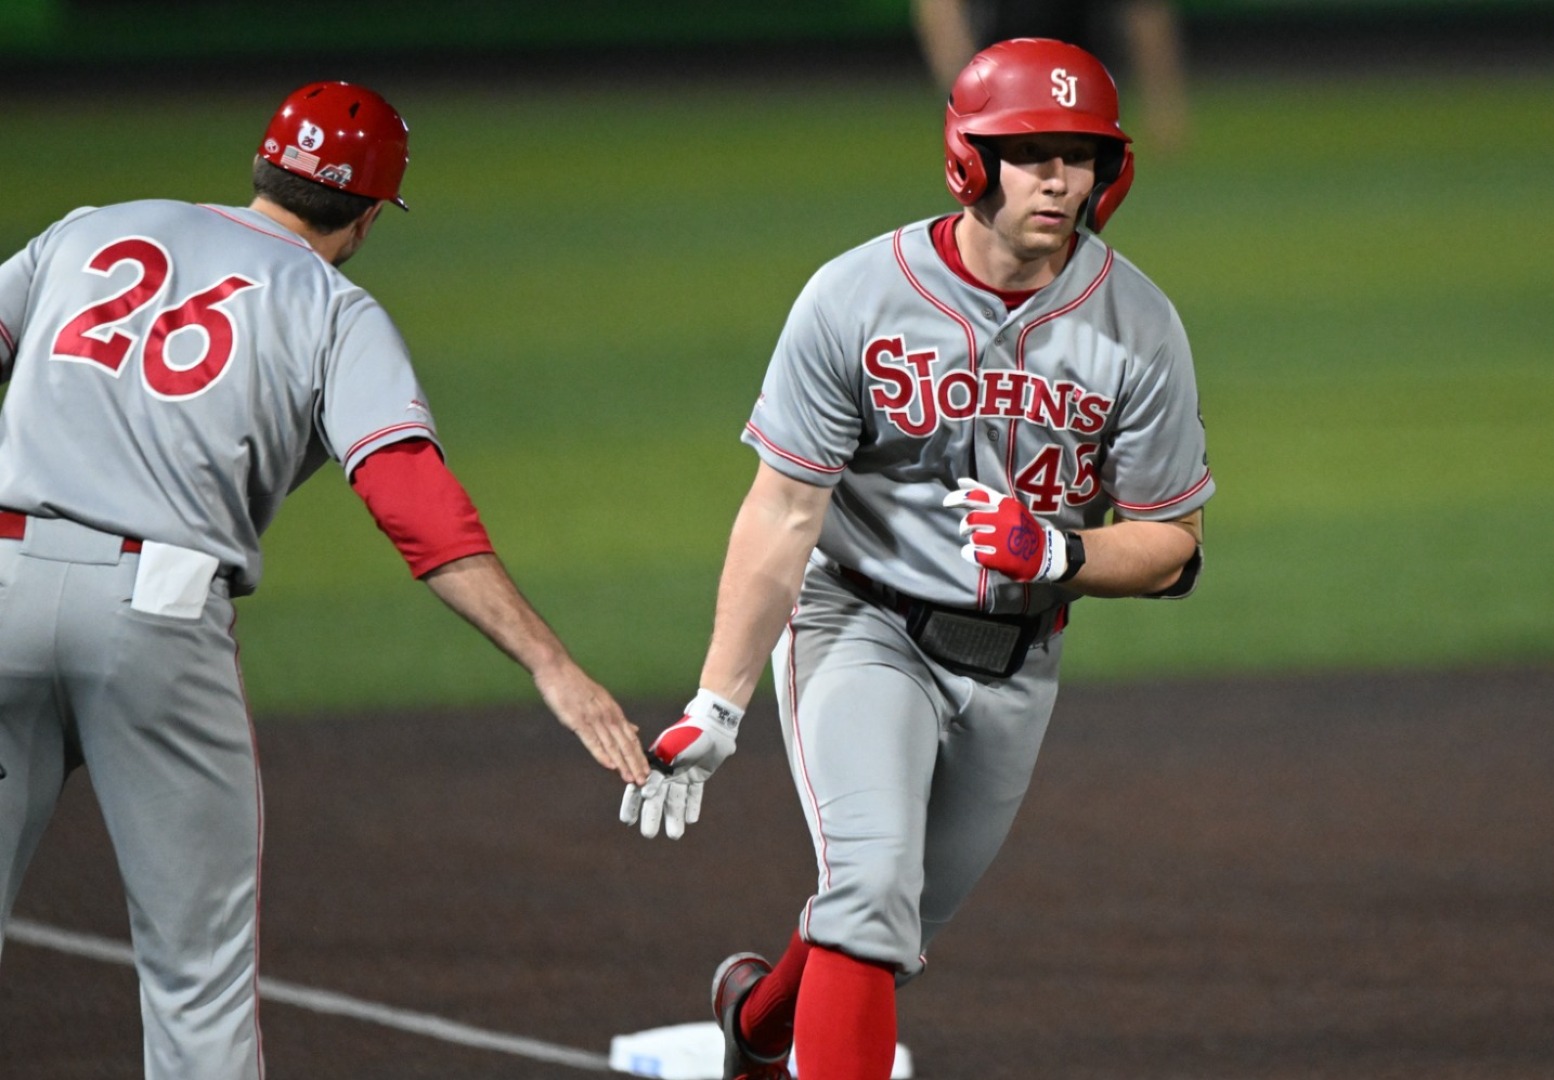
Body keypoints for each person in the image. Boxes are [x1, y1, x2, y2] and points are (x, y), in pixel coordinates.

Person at [0, 81, 649, 1079]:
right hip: (155, 621)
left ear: (265, 164)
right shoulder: (330, 306)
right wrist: (551, 664)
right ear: (369, 213)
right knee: (195, 975)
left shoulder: (92, 231)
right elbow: (412, 504)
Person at [619, 38, 1213, 1079]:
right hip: (863, 624)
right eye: (1031, 154)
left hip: (1019, 661)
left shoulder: (1141, 326)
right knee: (874, 890)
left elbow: (1174, 548)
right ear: (968, 162)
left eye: (1082, 155)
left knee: (891, 923)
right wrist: (719, 702)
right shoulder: (853, 299)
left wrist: (1060, 551)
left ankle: (754, 1026)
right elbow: (782, 512)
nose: (1060, 179)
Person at [913, 0, 1190, 152]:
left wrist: (1164, 105)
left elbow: (1144, 13)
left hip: (1080, 92)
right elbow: (941, 9)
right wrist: (964, 93)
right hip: (1004, 91)